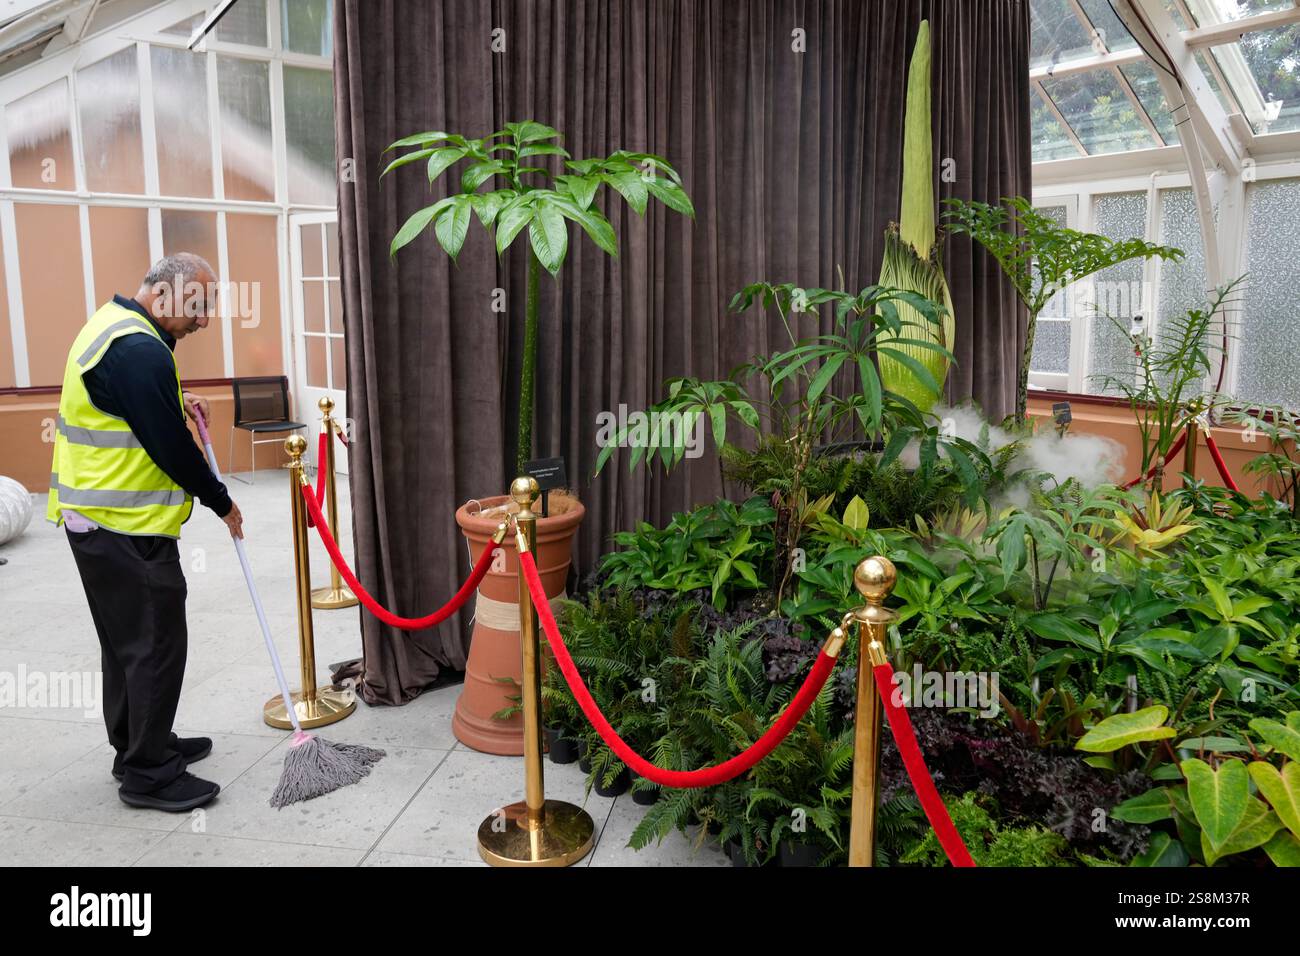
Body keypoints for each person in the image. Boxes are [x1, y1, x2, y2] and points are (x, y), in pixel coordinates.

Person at [47, 253, 244, 812]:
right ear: (161, 296)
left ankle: (137, 745)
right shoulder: (137, 349)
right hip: (123, 528)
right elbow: (167, 445)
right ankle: (149, 774)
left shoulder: (115, 325)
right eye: (197, 307)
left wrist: (170, 400)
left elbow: (125, 403)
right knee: (155, 644)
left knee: (126, 644)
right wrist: (221, 501)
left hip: (99, 522)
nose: (204, 321)